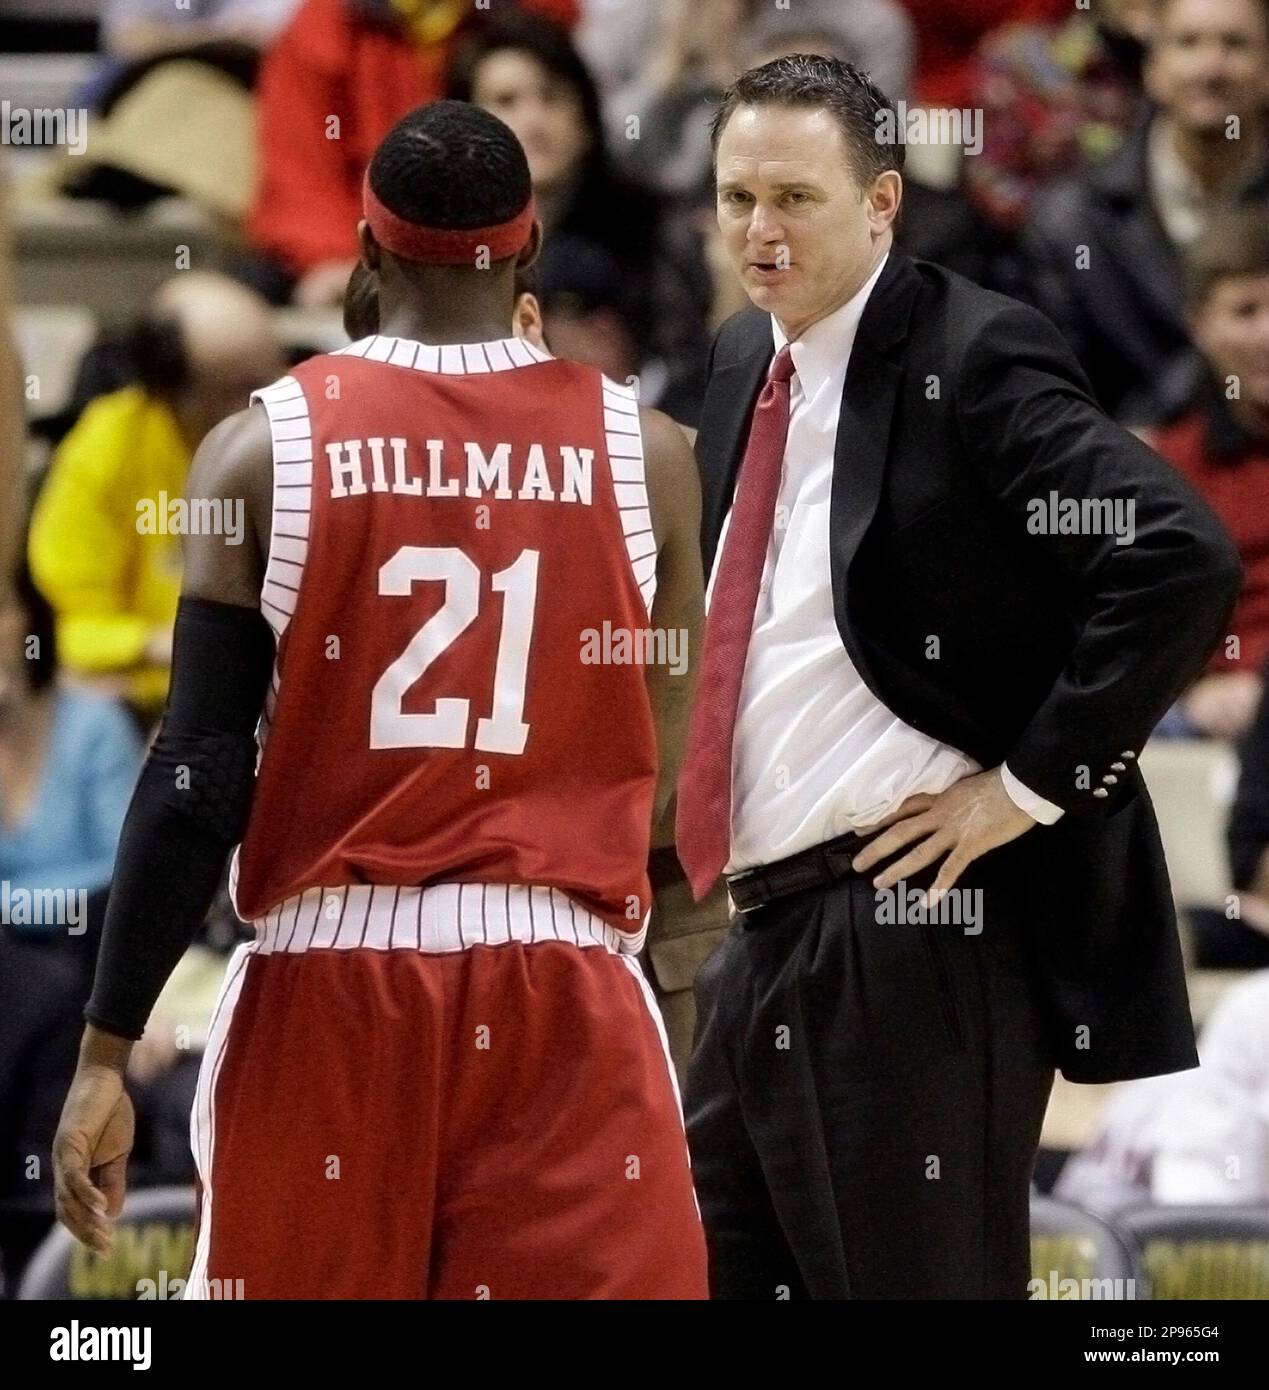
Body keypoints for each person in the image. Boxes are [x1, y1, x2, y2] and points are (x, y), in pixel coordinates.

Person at [52, 100, 707, 1301]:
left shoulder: (260, 449)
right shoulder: (650, 453)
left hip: (332, 990)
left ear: (365, 247)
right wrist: (681, 988)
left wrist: (105, 1049)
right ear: (531, 247)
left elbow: (198, 772)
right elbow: (674, 776)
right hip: (564, 985)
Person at [678, 54, 1241, 1300]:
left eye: (795, 199)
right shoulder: (735, 361)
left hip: (914, 929)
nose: (757, 231)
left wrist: (1030, 785)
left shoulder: (975, 353)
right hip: (757, 930)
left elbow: (1176, 553)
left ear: (883, 202)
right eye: (734, 199)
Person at [27, 274, 284, 725]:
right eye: (244, 388)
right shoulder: (108, 447)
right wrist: (159, 646)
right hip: (148, 711)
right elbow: (64, 633)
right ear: (168, 393)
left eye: (282, 371)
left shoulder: (306, 437)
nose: (275, 401)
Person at [1023, 0, 1269, 425]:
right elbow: (1058, 405)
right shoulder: (1071, 224)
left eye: (1235, 43)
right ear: (1151, 69)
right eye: (1188, 43)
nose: (1211, 68)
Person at [1147, 209, 1269, 740]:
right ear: (1198, 325)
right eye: (1245, 311)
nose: (1268, 333)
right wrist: (1197, 692)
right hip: (1200, 721)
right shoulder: (1162, 468)